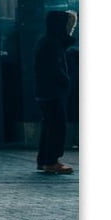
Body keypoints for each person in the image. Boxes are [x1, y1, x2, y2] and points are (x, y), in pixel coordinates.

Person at [35, 9, 78, 174]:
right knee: (57, 126)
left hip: (45, 91)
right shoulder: (53, 44)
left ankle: (44, 160)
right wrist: (65, 81)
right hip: (53, 91)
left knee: (49, 125)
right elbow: (55, 68)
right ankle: (52, 161)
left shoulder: (46, 41)